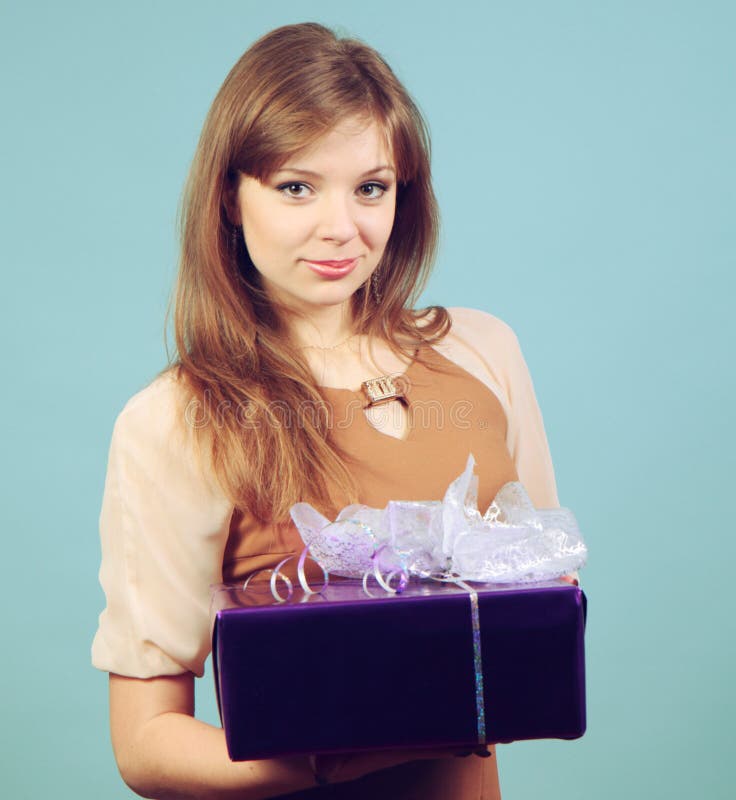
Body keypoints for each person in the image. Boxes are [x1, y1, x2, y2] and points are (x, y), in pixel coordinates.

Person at [91, 22, 566, 800]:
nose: (341, 228)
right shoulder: (175, 418)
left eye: (370, 188)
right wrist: (336, 752)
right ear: (231, 199)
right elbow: (144, 744)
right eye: (296, 186)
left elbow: (549, 596)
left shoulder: (485, 352)